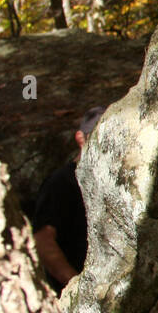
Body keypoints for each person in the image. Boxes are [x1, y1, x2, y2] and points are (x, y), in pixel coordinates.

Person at [28, 106, 104, 294]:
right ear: (80, 138)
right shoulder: (62, 182)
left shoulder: (111, 182)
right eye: (99, 137)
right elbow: (43, 239)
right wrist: (76, 286)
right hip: (73, 296)